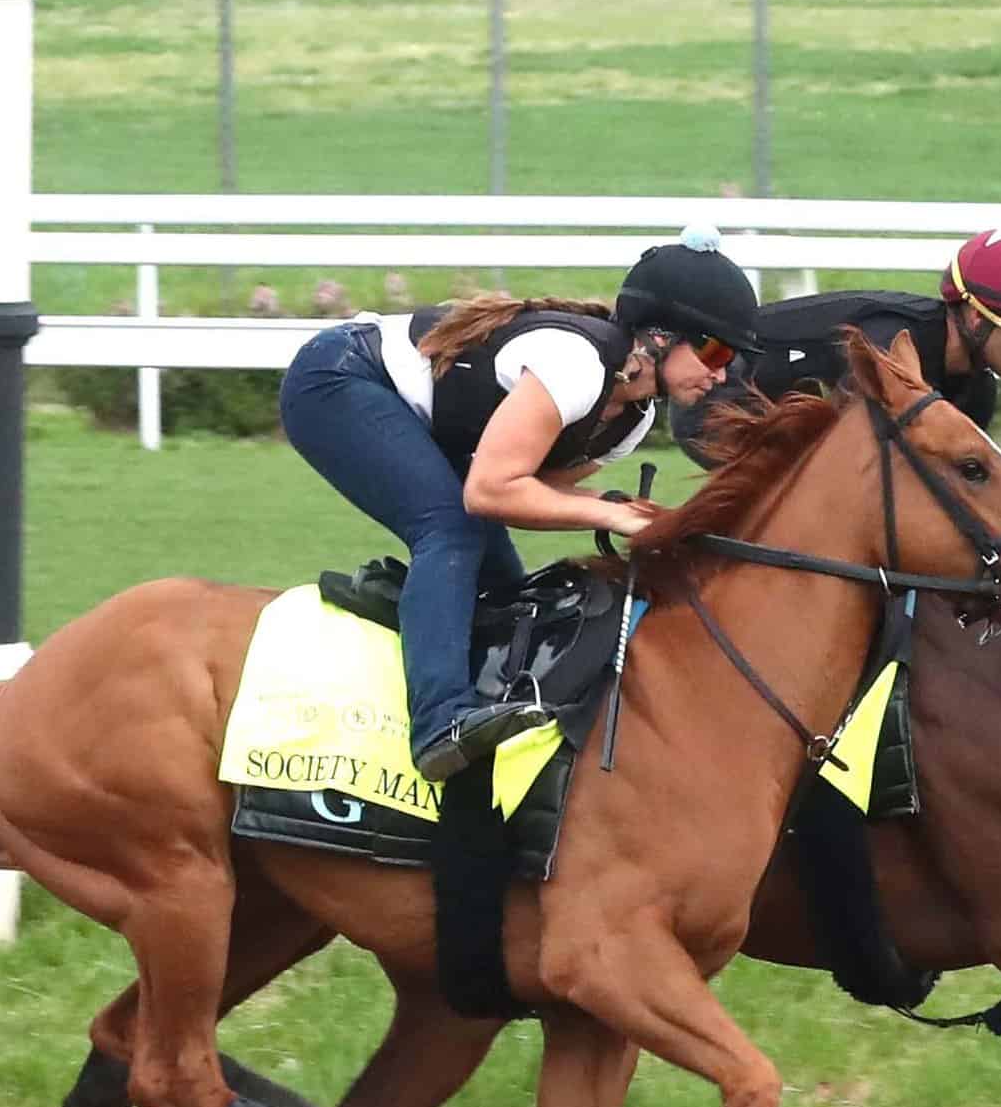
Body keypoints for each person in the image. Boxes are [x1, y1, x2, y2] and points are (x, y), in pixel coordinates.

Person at [279, 226, 762, 784]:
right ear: (660, 336)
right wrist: (608, 513)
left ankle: (434, 643)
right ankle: (439, 723)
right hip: (339, 379)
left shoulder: (633, 419)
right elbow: (488, 491)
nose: (723, 372)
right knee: (450, 532)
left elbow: (529, 488)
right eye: (715, 350)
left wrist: (616, 504)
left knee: (506, 582)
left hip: (422, 418)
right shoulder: (577, 366)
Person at [670, 226, 1001, 468]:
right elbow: (856, 457)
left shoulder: (978, 392)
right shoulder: (891, 342)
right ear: (974, 316)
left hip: (786, 415)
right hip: (718, 393)